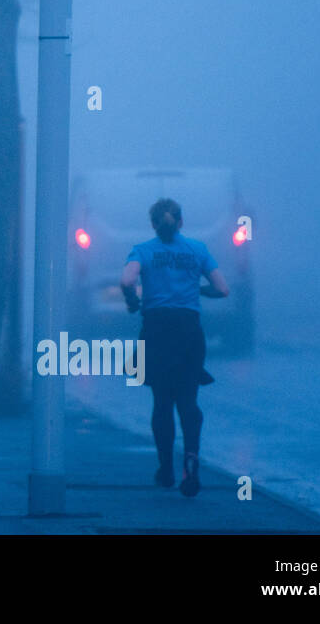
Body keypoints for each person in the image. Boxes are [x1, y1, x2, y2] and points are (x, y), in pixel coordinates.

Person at [119, 198, 229, 497]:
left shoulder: (143, 250)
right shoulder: (197, 250)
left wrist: (132, 302)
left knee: (162, 402)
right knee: (188, 400)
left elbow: (127, 279)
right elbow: (222, 289)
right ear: (181, 222)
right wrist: (197, 289)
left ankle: (166, 467)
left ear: (153, 224)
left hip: (156, 331)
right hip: (189, 332)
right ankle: (191, 459)